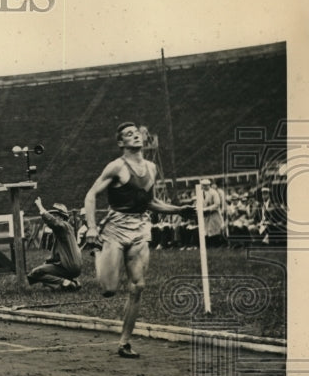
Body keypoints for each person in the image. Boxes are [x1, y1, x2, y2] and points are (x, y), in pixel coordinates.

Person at [83, 122, 194, 359]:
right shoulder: (116, 166)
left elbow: (150, 202)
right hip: (116, 227)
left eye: (137, 133)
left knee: (138, 286)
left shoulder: (152, 168)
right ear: (121, 142)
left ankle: (124, 342)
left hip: (140, 227)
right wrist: (91, 227)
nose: (135, 136)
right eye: (129, 134)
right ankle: (97, 251)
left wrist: (178, 210)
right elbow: (91, 194)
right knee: (108, 290)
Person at [27, 198, 82, 291]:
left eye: (55, 215)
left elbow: (52, 221)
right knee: (45, 278)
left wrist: (40, 206)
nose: (53, 217)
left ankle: (65, 282)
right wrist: (47, 263)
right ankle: (71, 283)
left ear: (62, 217)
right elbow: (57, 255)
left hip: (68, 266)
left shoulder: (63, 227)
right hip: (72, 267)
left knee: (35, 273)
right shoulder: (65, 231)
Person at [200, 178, 226, 247]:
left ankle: (219, 243)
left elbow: (217, 204)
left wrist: (207, 209)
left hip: (214, 213)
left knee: (215, 228)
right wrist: (201, 209)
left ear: (209, 185)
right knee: (207, 229)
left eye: (206, 185)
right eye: (203, 185)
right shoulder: (200, 193)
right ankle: (210, 244)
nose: (204, 187)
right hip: (206, 214)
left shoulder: (214, 193)